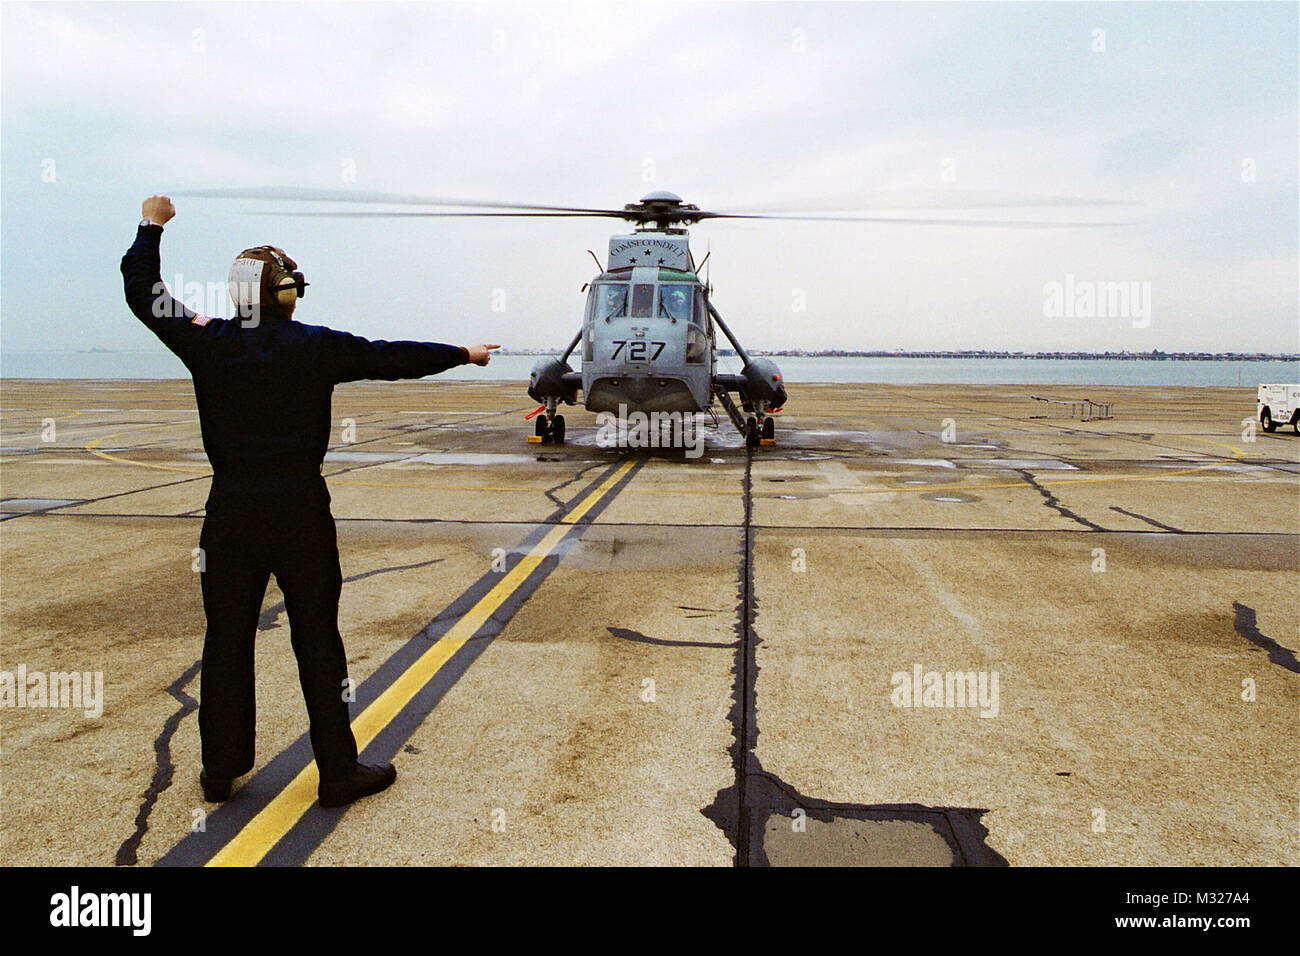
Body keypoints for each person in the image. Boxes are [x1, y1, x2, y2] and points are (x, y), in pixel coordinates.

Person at [121, 195, 498, 808]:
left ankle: (219, 769)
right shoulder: (315, 345)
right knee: (318, 638)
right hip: (300, 510)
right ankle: (337, 770)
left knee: (226, 638)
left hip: (231, 512)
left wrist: (151, 227)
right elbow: (391, 357)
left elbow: (143, 291)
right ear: (284, 294)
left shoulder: (206, 341)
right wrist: (464, 354)